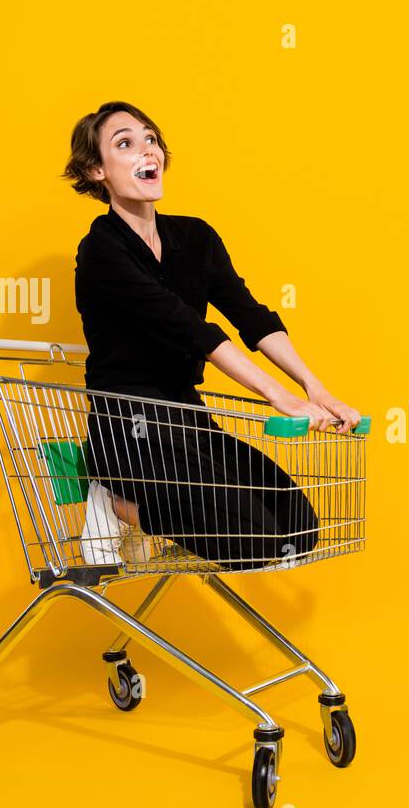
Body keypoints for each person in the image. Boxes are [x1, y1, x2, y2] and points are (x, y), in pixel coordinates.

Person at [60, 101, 362, 570]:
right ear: (96, 170)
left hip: (188, 416)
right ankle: (114, 501)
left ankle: (159, 512)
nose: (147, 151)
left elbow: (252, 318)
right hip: (128, 424)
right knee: (252, 542)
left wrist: (314, 388)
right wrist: (279, 397)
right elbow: (192, 330)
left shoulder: (196, 237)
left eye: (150, 139)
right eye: (125, 143)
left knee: (298, 530)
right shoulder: (102, 248)